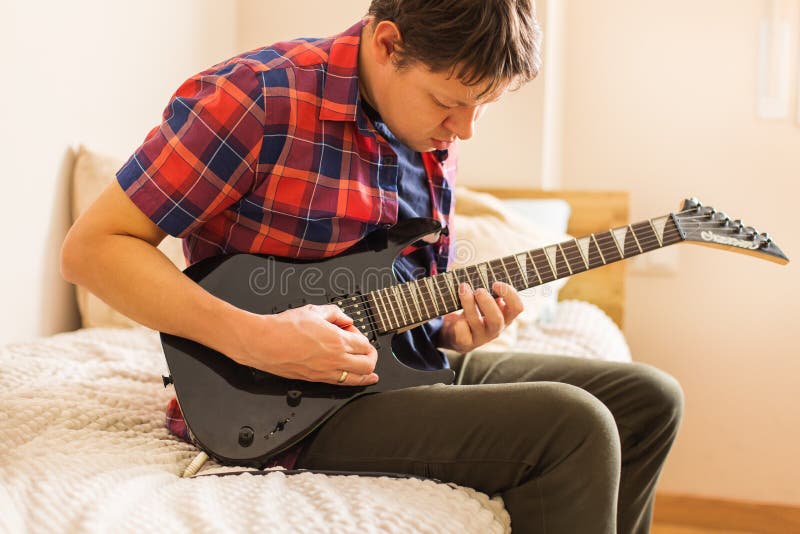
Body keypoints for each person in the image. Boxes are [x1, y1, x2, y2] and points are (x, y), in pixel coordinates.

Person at [60, 1, 684, 532]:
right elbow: (93, 248)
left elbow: (403, 283)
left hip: (391, 365)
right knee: (573, 427)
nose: (463, 129)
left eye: (483, 105)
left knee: (649, 398)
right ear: (388, 43)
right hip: (274, 396)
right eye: (450, 101)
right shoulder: (254, 98)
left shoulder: (433, 135)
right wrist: (257, 339)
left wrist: (450, 330)